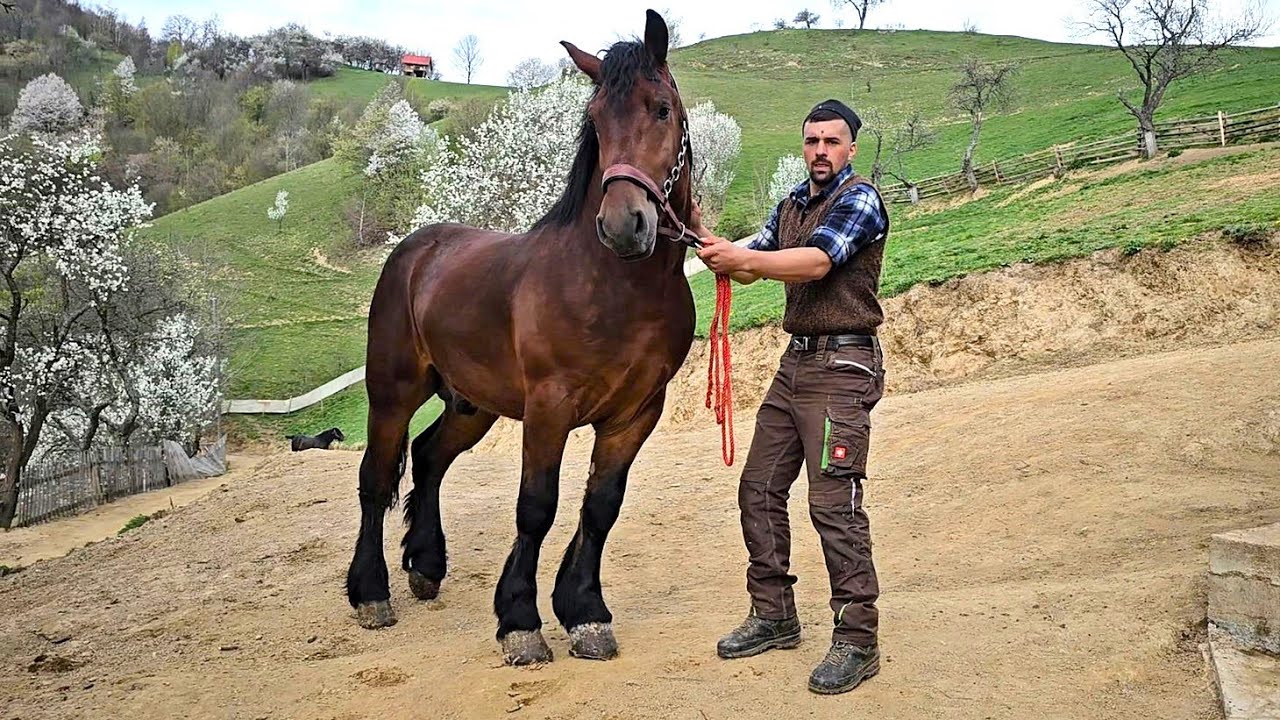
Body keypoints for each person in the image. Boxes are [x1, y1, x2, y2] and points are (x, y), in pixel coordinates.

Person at [693, 98, 891, 695]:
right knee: (758, 488)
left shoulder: (860, 200)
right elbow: (750, 263)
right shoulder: (791, 207)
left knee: (833, 505)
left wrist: (746, 257)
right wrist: (705, 235)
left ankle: (857, 639)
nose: (822, 151)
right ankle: (775, 614)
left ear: (851, 148)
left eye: (832, 141)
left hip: (844, 365)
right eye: (812, 141)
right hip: (796, 364)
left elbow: (814, 262)